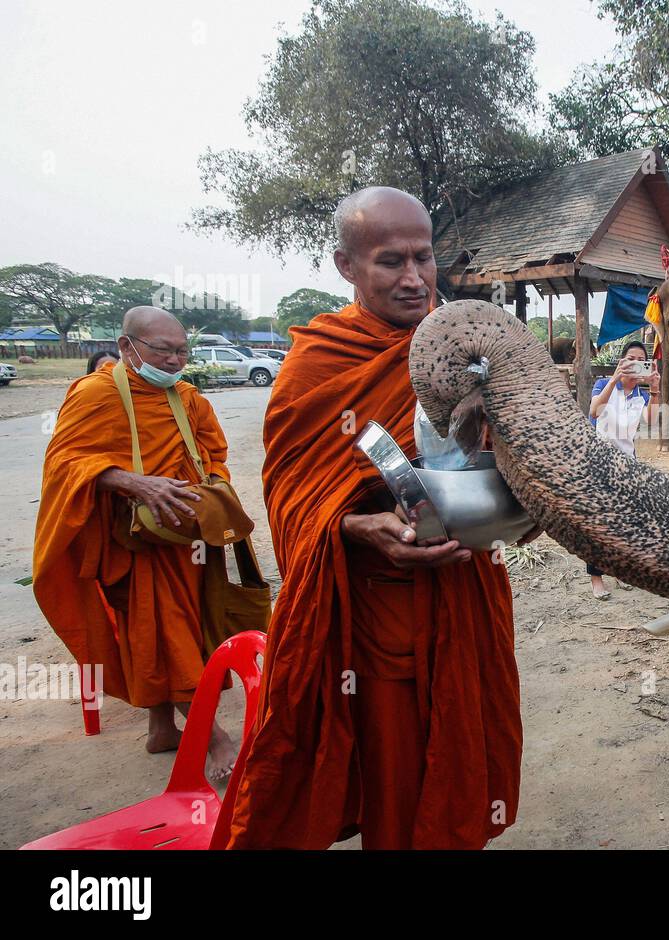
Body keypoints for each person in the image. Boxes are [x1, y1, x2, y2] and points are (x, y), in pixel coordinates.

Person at [225, 187, 524, 850]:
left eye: (425, 258)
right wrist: (355, 527)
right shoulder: (318, 363)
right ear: (346, 266)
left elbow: (526, 455)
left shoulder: (472, 344)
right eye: (391, 261)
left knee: (463, 756)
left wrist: (521, 499)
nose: (415, 278)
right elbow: (292, 494)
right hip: (378, 611)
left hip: (467, 587)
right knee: (397, 775)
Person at [33, 306, 237, 773]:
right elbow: (65, 464)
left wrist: (210, 492)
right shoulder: (96, 394)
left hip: (188, 537)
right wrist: (134, 483)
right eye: (163, 350)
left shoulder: (190, 399)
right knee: (165, 635)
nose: (174, 361)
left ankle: (161, 728)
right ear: (128, 347)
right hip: (133, 543)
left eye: (182, 351)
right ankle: (215, 741)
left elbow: (215, 455)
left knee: (169, 637)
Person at [587, 341, 657, 599]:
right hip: (599, 463)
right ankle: (596, 578)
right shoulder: (604, 384)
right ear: (622, 360)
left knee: (624, 523)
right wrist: (615, 377)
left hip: (628, 464)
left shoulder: (642, 395)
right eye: (631, 358)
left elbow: (653, 421)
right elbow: (594, 410)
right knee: (598, 523)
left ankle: (620, 571)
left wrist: (656, 388)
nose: (635, 362)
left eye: (641, 359)